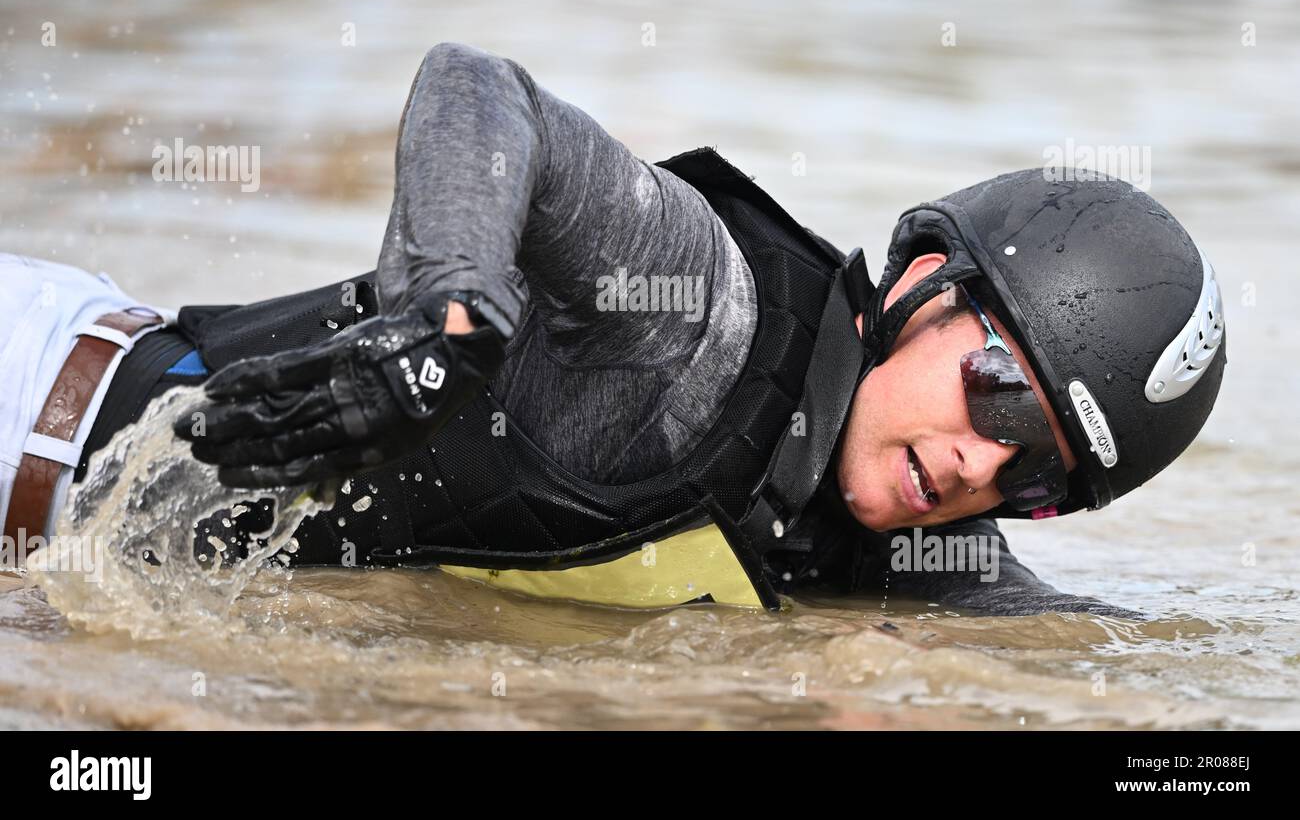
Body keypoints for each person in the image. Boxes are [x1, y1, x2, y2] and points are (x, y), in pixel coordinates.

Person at [4, 43, 1227, 615]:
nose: (981, 464)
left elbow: (1126, 667)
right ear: (921, 284)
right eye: (1002, 396)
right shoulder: (698, 311)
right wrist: (452, 320)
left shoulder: (903, 554)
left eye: (1038, 478)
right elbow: (478, 91)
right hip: (33, 402)